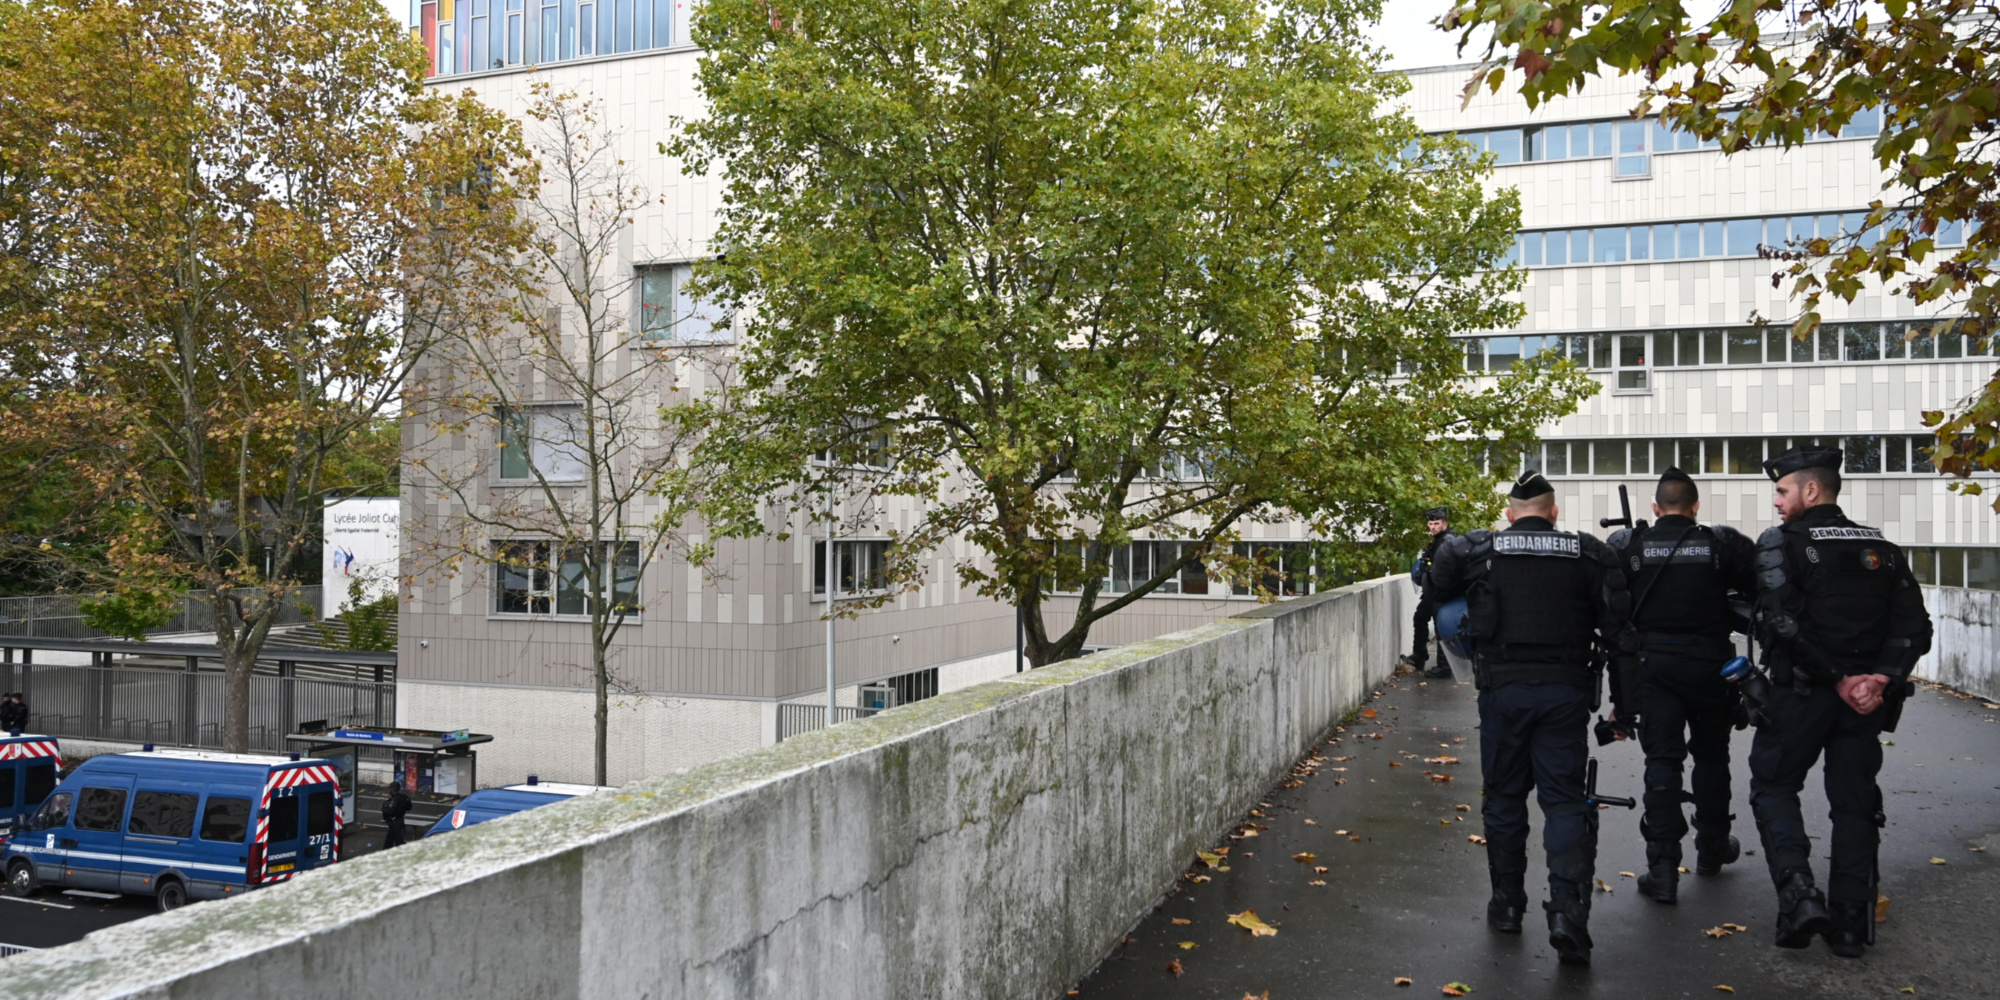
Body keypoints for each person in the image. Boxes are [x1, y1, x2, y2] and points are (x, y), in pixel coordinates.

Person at [1425, 470, 1640, 967]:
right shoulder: (1587, 553)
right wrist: (1627, 708)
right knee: (1564, 802)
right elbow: (1621, 635)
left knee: (1503, 797)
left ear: (1509, 513)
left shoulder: (1480, 552)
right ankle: (1566, 912)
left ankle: (1506, 906)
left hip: (1502, 693)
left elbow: (1439, 594)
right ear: (1554, 512)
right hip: (1565, 694)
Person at [1749, 446, 1931, 956]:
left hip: (1803, 695)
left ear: (1810, 490)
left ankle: (1800, 895)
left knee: (1773, 786)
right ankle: (1851, 927)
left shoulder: (1782, 542)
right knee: (1854, 804)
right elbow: (1915, 627)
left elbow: (1783, 626)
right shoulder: (1883, 549)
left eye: (1782, 491)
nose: (1778, 502)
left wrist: (1838, 679)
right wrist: (1878, 679)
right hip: (1862, 705)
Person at [1605, 468, 1757, 904]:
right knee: (1712, 756)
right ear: (1695, 507)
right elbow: (1756, 596)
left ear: (1655, 509)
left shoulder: (1631, 546)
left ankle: (1663, 870)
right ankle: (1711, 849)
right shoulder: (1719, 545)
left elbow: (1614, 610)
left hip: (1654, 667)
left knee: (1662, 762)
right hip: (1710, 665)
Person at [1403, 506, 1459, 679]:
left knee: (1440, 627)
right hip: (1432, 590)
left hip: (1442, 592)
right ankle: (1419, 656)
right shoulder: (1439, 540)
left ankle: (1444, 666)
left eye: (1436, 523)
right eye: (1430, 523)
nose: (1433, 527)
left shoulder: (1447, 540)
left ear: (1445, 523)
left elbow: (1449, 569)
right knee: (1420, 617)